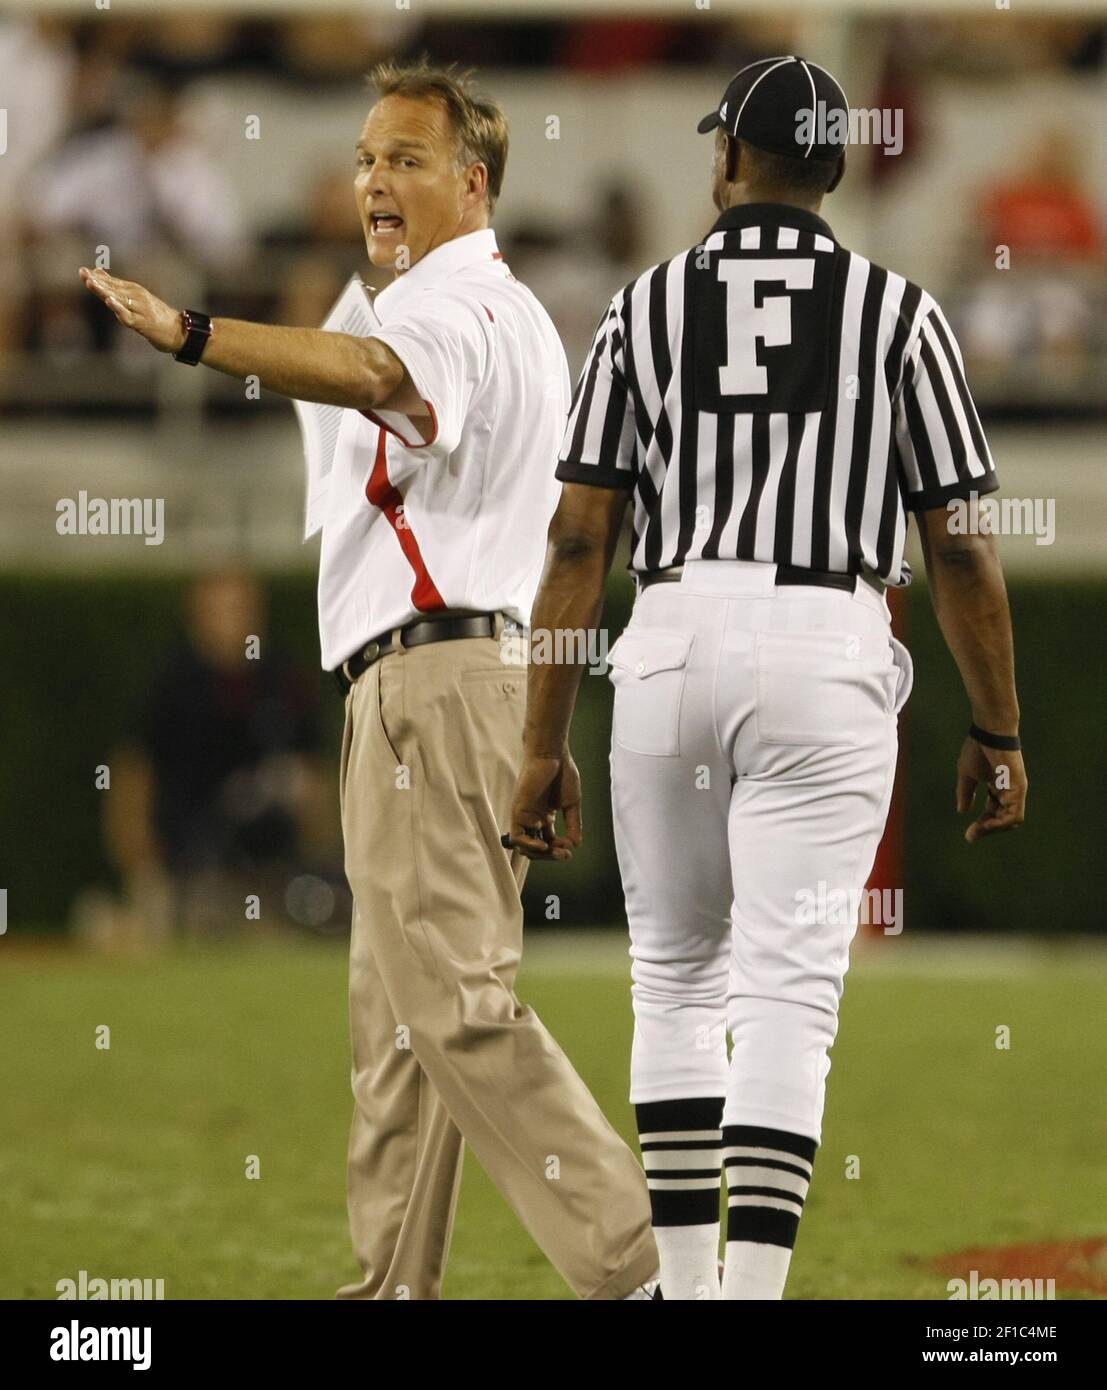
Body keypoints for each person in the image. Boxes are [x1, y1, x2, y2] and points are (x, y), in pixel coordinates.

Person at [79, 59, 658, 1301]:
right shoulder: (508, 317)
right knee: (399, 1032)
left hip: (426, 685)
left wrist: (192, 332)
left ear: (474, 181)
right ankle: (391, 1290)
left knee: (450, 1008)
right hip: (471, 679)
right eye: (363, 158)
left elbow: (378, 377)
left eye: (404, 156)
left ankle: (633, 1269)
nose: (373, 179)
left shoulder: (442, 312)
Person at [507, 56, 1027, 1301]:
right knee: (790, 994)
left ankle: (687, 1296)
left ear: (733, 160)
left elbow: (581, 539)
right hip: (824, 637)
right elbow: (957, 544)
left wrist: (541, 739)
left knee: (675, 977)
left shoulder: (643, 305)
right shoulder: (899, 312)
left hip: (672, 636)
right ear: (834, 170)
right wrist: (998, 726)